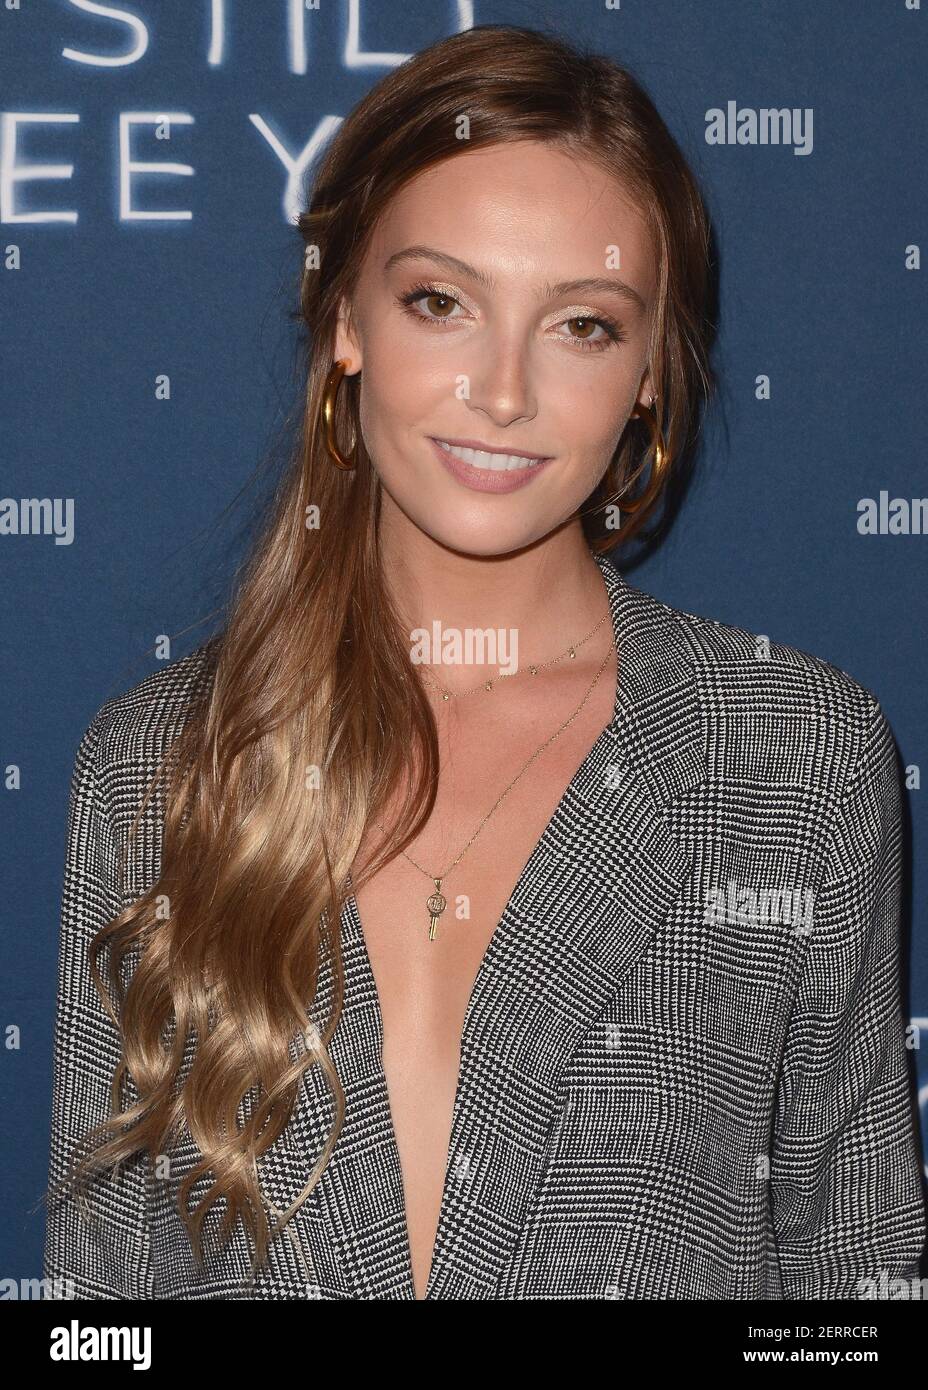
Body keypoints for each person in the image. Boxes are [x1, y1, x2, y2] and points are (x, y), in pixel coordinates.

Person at [42, 23, 925, 1301]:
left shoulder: (792, 760)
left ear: (647, 380)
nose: (502, 390)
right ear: (344, 317)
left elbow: (853, 1285)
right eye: (440, 302)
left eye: (580, 324)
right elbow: (97, 1309)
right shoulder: (157, 766)